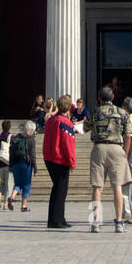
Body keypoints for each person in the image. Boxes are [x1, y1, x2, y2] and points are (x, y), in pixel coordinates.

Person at [88, 86, 132, 233]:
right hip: (116, 148)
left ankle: (95, 222)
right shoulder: (122, 112)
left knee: (97, 187)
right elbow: (128, 135)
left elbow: (86, 126)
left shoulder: (95, 111)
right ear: (113, 97)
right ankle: (119, 221)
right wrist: (125, 155)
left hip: (99, 148)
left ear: (99, 98)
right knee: (117, 187)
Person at [43, 94, 77, 228]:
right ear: (68, 107)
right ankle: (57, 220)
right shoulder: (65, 123)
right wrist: (72, 161)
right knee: (61, 191)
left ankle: (56, 219)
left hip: (49, 158)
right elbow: (67, 144)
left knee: (56, 189)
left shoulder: (51, 120)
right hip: (60, 159)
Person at [8, 120, 37, 213]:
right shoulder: (31, 139)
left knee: (18, 183)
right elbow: (32, 155)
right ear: (31, 130)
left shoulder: (16, 137)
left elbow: (11, 152)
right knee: (26, 184)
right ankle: (24, 206)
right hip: (26, 163)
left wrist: (10, 164)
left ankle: (12, 197)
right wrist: (35, 168)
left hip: (15, 163)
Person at [0, 120, 14, 210]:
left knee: (3, 182)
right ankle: (5, 204)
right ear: (10, 127)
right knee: (9, 183)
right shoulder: (12, 137)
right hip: (9, 163)